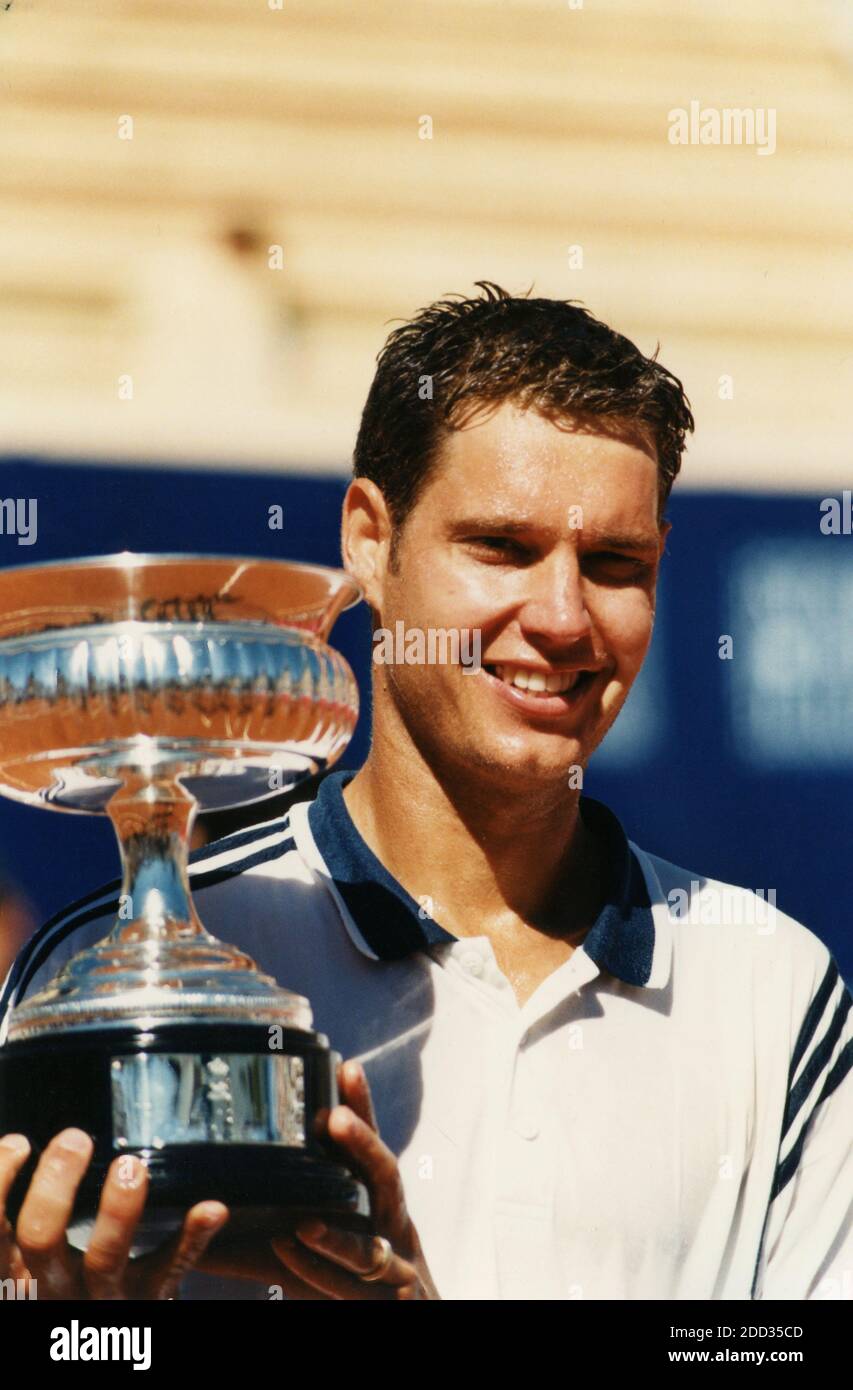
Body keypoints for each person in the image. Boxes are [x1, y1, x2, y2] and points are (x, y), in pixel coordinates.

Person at [1, 283, 850, 1301]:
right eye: (501, 546)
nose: (564, 617)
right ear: (370, 538)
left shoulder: (772, 989)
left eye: (615, 562)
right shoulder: (104, 976)